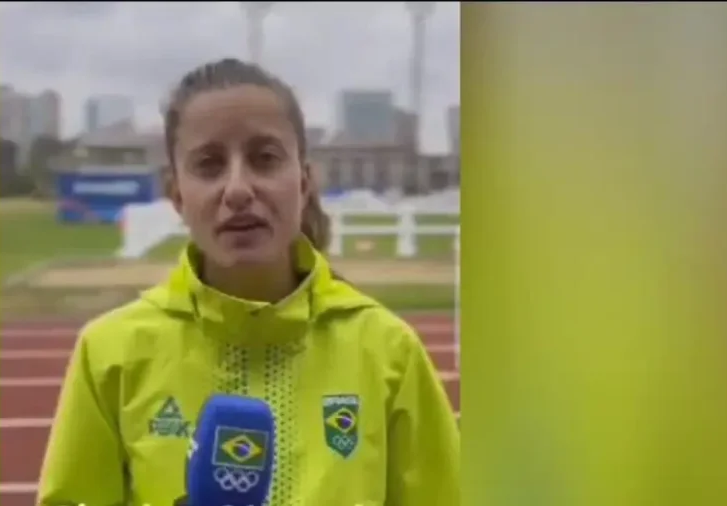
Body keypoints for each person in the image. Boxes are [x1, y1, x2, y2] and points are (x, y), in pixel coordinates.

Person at [37, 58, 460, 506]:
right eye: (209, 164)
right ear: (177, 194)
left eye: (265, 158)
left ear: (304, 183)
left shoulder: (389, 352)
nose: (238, 189)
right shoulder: (109, 355)